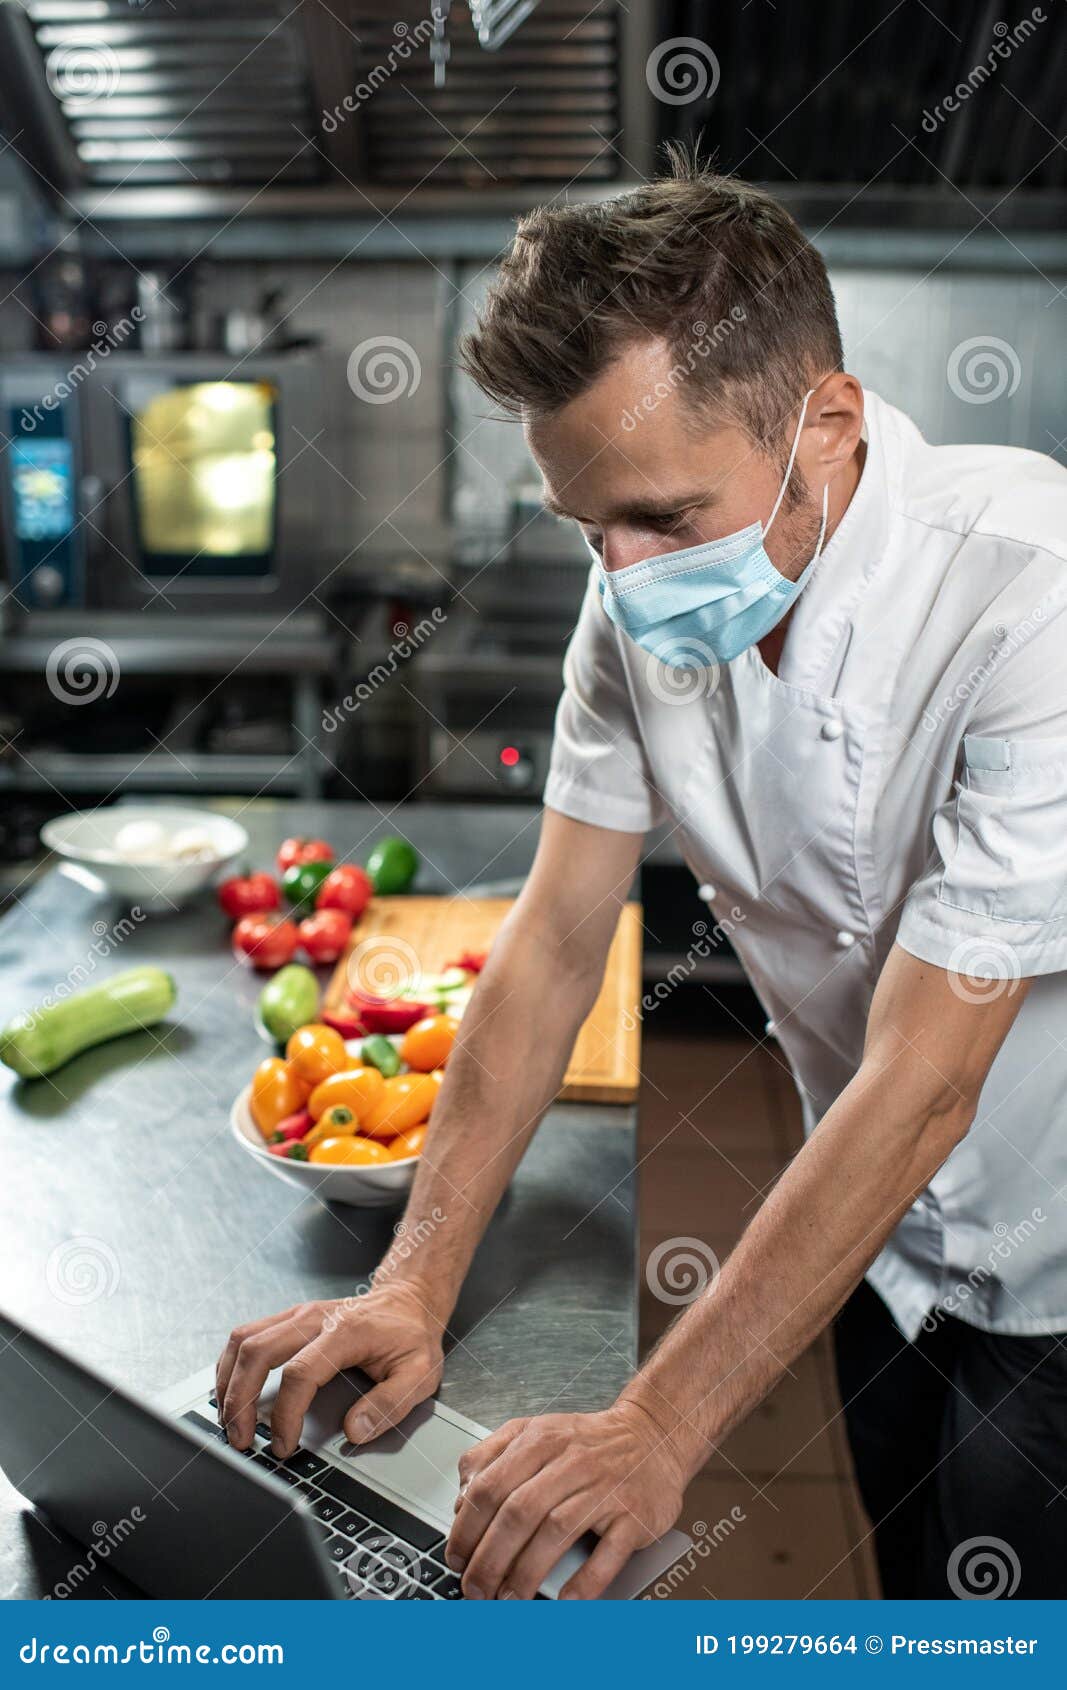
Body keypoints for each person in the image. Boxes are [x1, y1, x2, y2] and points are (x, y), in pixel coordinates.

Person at [216, 155, 1067, 1600]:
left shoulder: (1028, 586)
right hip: (864, 1231)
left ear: (830, 426)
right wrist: (411, 1282)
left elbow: (931, 1072)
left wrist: (659, 1421)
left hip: (1057, 1238)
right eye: (586, 527)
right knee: (916, 1593)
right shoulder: (630, 609)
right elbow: (551, 946)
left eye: (667, 518)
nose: (623, 573)